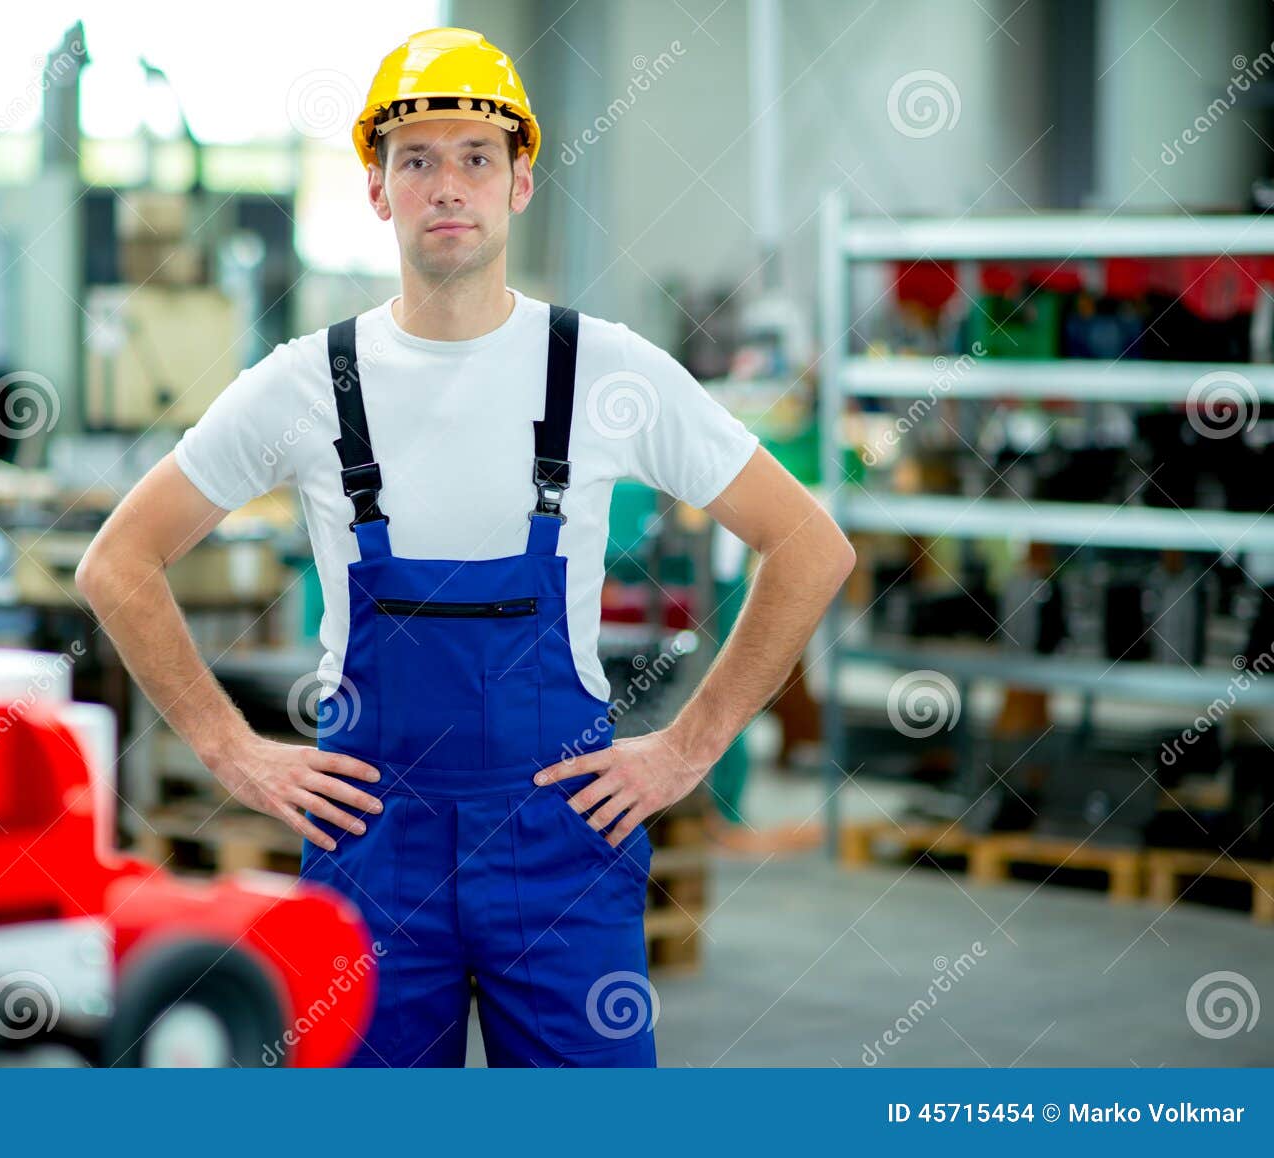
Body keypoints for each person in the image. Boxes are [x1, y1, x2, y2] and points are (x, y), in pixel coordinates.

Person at [76, 27, 854, 1068]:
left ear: (520, 181)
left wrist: (688, 749)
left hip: (561, 846)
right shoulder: (306, 384)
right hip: (373, 852)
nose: (448, 185)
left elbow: (809, 547)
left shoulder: (604, 372)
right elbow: (116, 563)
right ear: (375, 187)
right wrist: (232, 751)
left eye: (476, 157)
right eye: (417, 159)